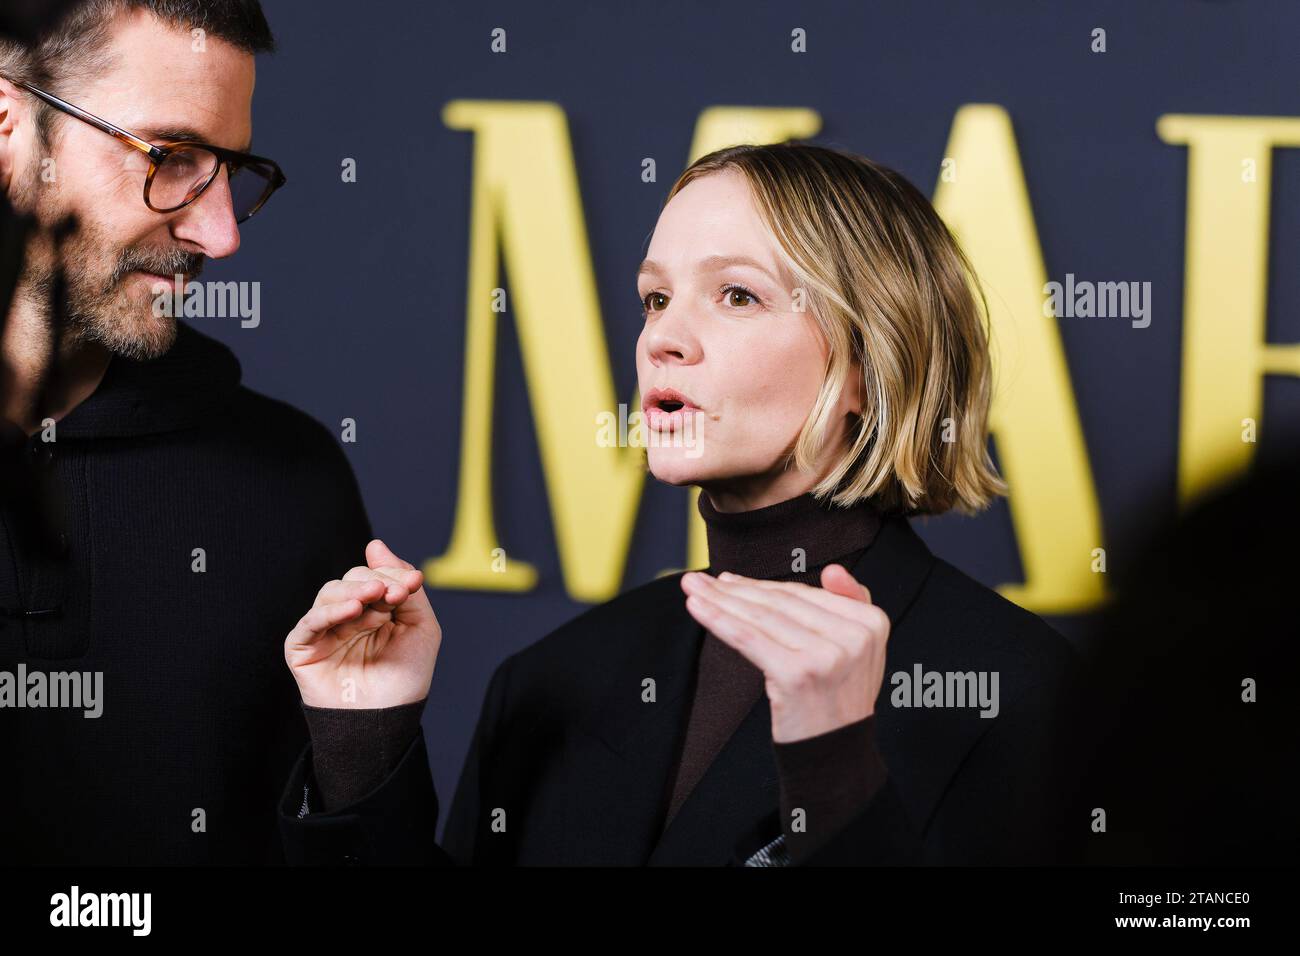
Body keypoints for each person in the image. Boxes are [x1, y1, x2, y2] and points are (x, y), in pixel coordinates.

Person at [278, 143, 1080, 866]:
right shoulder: (552, 679)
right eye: (655, 298)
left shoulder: (1030, 696)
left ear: (875, 361)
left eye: (736, 295)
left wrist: (833, 764)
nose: (664, 337)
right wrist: (362, 739)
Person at [0, 0, 370, 864]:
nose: (221, 234)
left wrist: (366, 749)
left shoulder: (290, 480)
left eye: (231, 172)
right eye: (169, 158)